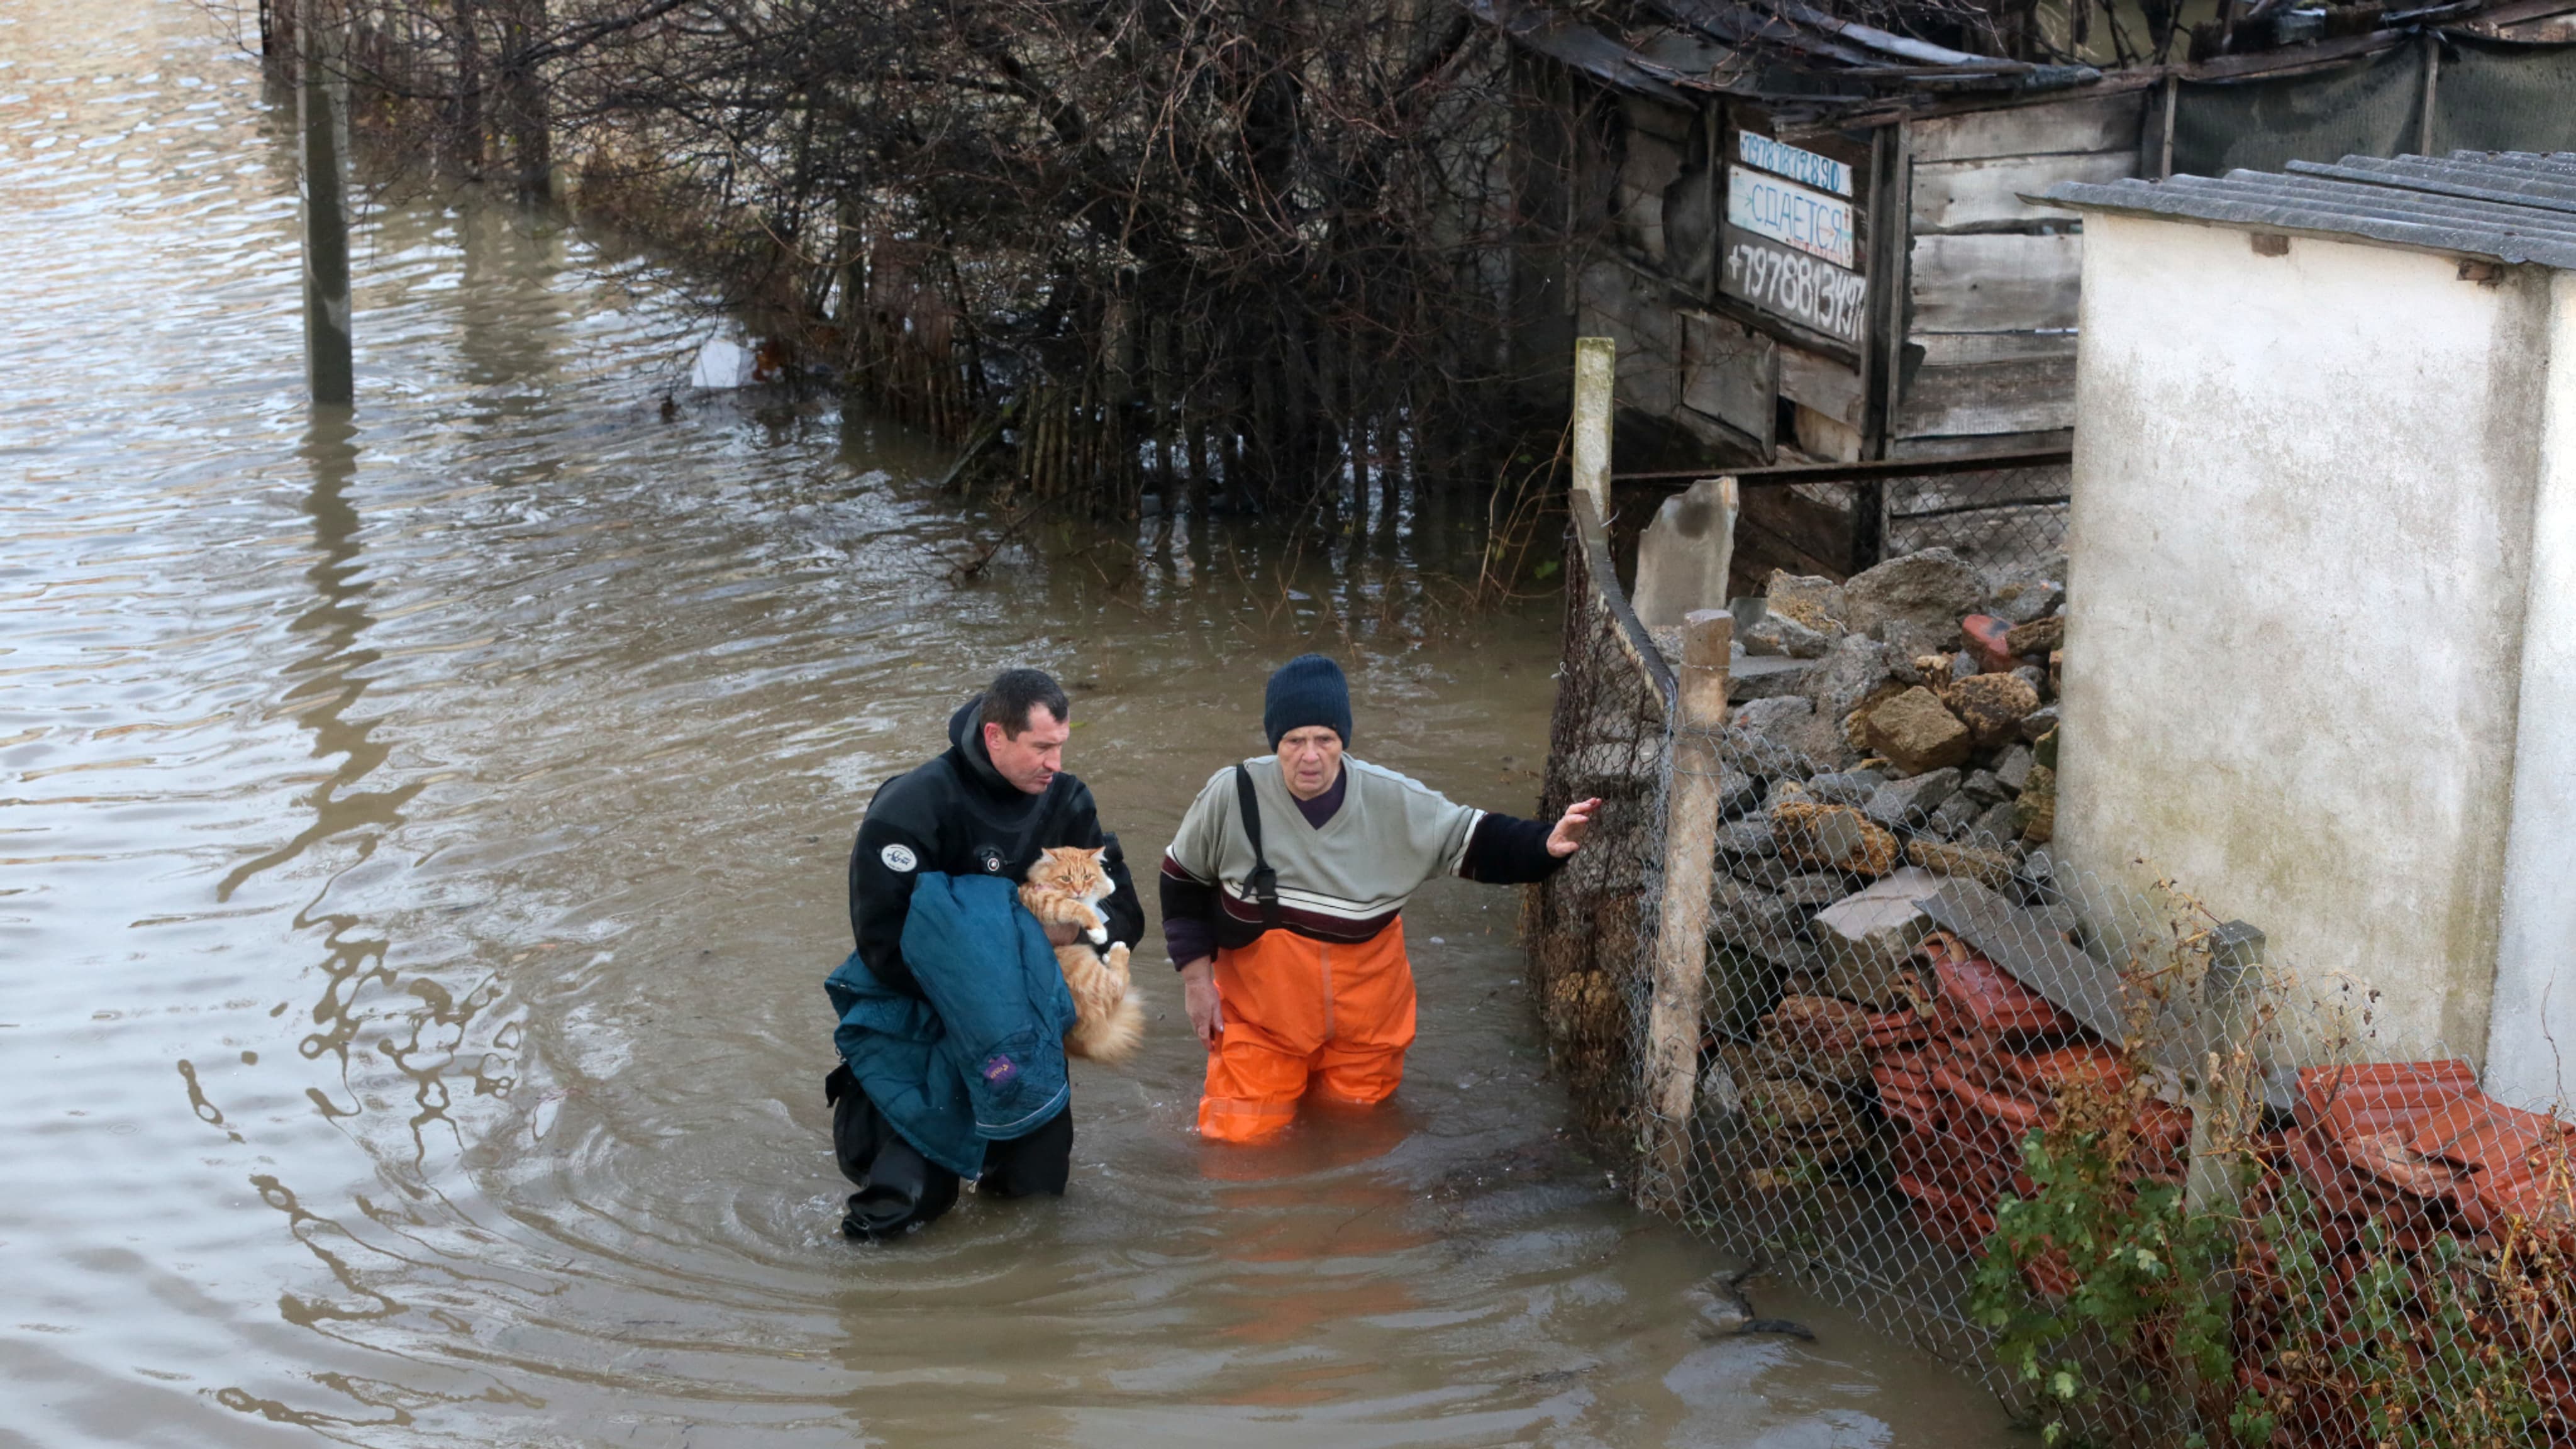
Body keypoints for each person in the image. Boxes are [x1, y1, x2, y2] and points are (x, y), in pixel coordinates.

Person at [1158, 654, 1600, 1143]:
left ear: (1343, 740)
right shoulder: (1230, 795)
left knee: (1361, 1145)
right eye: (1293, 741)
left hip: (1366, 1030)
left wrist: (1546, 845)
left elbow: (1477, 839)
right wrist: (1196, 983)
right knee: (1240, 1149)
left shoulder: (1394, 801)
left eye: (1324, 739)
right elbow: (1182, 881)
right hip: (1260, 1024)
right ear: (1274, 744)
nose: (1310, 756)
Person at [825, 668, 1143, 1236]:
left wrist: (1059, 936)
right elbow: (881, 944)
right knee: (906, 1209)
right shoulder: (912, 806)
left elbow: (1125, 916)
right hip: (924, 1017)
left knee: (1036, 1201)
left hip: (1026, 1023)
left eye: (1062, 746)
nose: (1057, 764)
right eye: (1042, 748)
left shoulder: (1067, 802)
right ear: (996, 736)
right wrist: (999, 950)